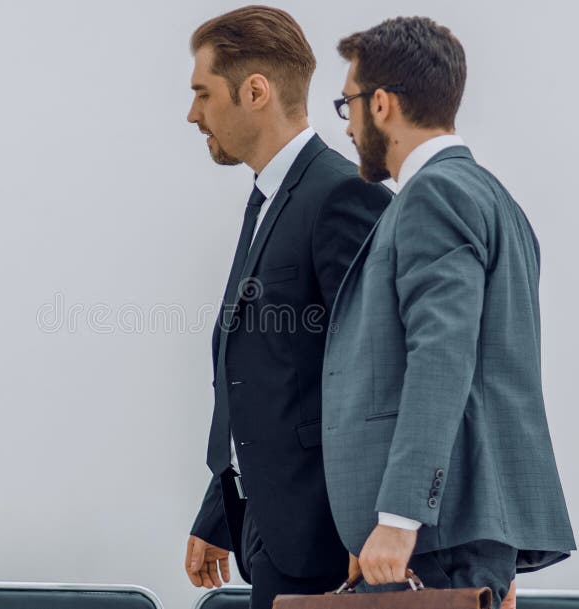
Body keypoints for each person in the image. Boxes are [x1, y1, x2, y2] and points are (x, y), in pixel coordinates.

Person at [321, 16, 575, 608]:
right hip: (465, 529)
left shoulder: (433, 195)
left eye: (348, 104)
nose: (350, 125)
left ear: (380, 104)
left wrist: (400, 516)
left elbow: (442, 354)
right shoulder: (495, 199)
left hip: (436, 535)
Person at [182, 7, 391, 609]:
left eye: (202, 93)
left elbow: (378, 374)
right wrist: (220, 509)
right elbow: (267, 376)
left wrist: (372, 525)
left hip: (333, 545)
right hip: (272, 531)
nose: (193, 114)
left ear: (255, 91)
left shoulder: (342, 194)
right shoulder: (269, 197)